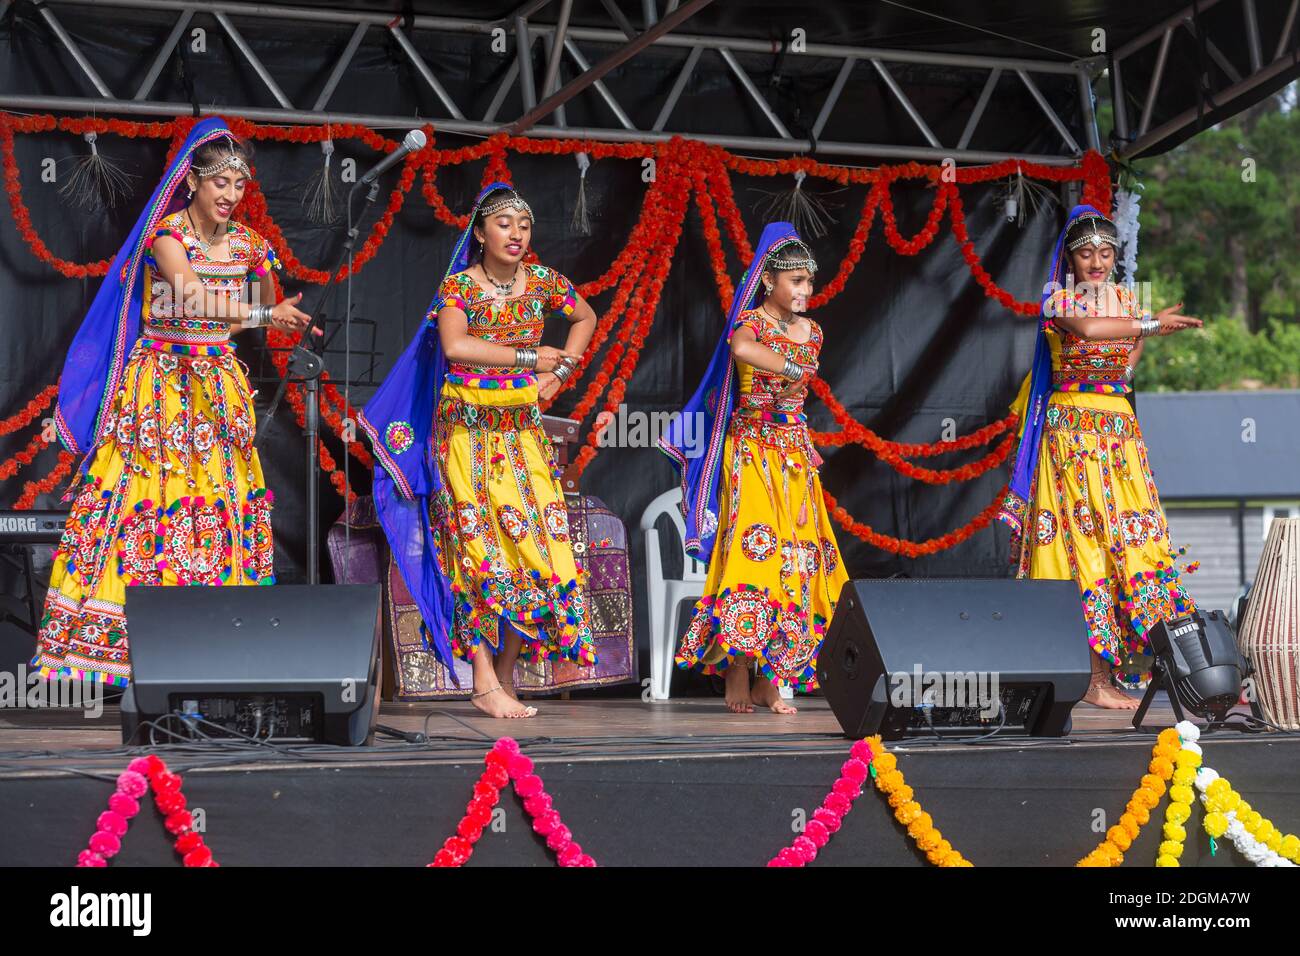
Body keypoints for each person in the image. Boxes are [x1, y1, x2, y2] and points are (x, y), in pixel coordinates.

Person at [33, 118, 312, 687]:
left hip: (218, 387)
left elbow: (265, 302)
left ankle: (213, 646)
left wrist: (275, 310)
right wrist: (262, 314)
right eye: (221, 184)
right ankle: (120, 651)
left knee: (217, 505)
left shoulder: (252, 245)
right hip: (162, 384)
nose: (232, 196)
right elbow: (190, 296)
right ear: (193, 183)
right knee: (146, 503)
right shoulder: (168, 237)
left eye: (239, 185)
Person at [360, 183, 599, 719]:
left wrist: (560, 373)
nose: (516, 235)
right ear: (481, 231)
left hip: (523, 433)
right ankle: (483, 677)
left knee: (544, 551)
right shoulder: (459, 288)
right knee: (479, 557)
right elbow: (455, 346)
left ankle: (507, 675)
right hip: (466, 433)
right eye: (504, 224)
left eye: (525, 225)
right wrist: (529, 357)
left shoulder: (542, 282)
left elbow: (586, 318)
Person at [998, 205, 1203, 709]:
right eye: (1087, 252)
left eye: (1106, 252)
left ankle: (1130, 671)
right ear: (1070, 256)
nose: (1097, 261)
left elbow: (1126, 361)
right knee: (1079, 545)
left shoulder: (1127, 301)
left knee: (1130, 544)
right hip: (1072, 435)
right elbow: (1090, 333)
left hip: (1118, 432)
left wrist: (1144, 331)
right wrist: (1151, 324)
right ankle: (1089, 681)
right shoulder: (1060, 298)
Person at [660, 223, 848, 714]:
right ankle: (737, 670)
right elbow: (740, 350)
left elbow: (797, 392)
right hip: (752, 451)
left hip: (793, 454)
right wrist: (790, 369)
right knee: (754, 551)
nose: (805, 291)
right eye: (796, 282)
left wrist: (794, 382)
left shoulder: (815, 330)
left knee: (795, 557)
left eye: (809, 281)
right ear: (769, 281)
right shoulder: (753, 322)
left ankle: (771, 675)